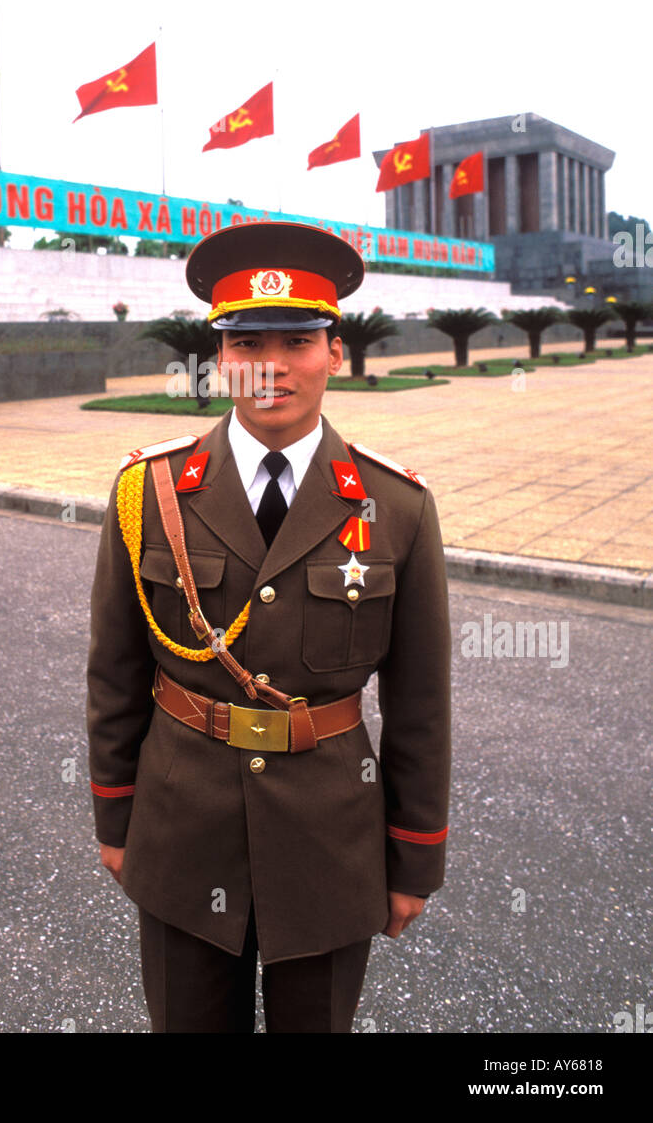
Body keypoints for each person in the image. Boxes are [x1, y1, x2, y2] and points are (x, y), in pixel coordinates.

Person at [86, 221, 451, 1033]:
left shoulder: (396, 507)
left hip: (330, 840)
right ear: (222, 358)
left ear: (334, 352)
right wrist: (117, 820)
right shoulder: (149, 494)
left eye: (298, 339)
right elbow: (114, 673)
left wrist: (414, 857)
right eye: (249, 340)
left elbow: (421, 703)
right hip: (182, 836)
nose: (273, 364)